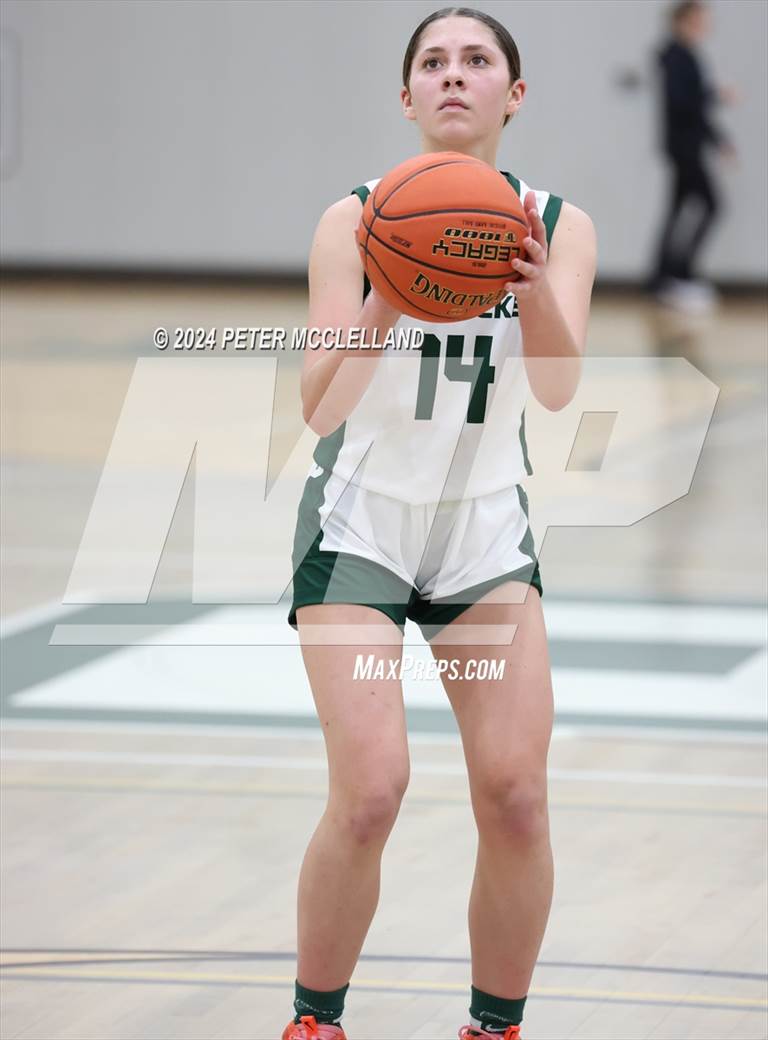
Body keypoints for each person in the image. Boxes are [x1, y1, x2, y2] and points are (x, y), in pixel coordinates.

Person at [283, 8, 596, 1040]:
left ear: (514, 93)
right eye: (432, 62)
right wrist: (386, 294)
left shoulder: (560, 223)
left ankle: (495, 1026)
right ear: (407, 94)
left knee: (515, 796)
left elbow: (558, 391)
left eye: (477, 61)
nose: (453, 75)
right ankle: (315, 1020)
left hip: (482, 535)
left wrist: (533, 290)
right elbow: (319, 408)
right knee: (372, 789)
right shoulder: (351, 220)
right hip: (362, 526)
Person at [650, 0, 738, 311]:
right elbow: (683, 103)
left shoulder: (686, 56)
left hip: (687, 146)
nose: (704, 26)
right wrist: (715, 94)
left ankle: (665, 277)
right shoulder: (676, 57)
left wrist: (719, 140)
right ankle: (678, 273)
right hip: (684, 149)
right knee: (710, 204)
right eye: (698, 20)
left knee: (678, 211)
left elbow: (697, 110)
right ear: (682, 21)